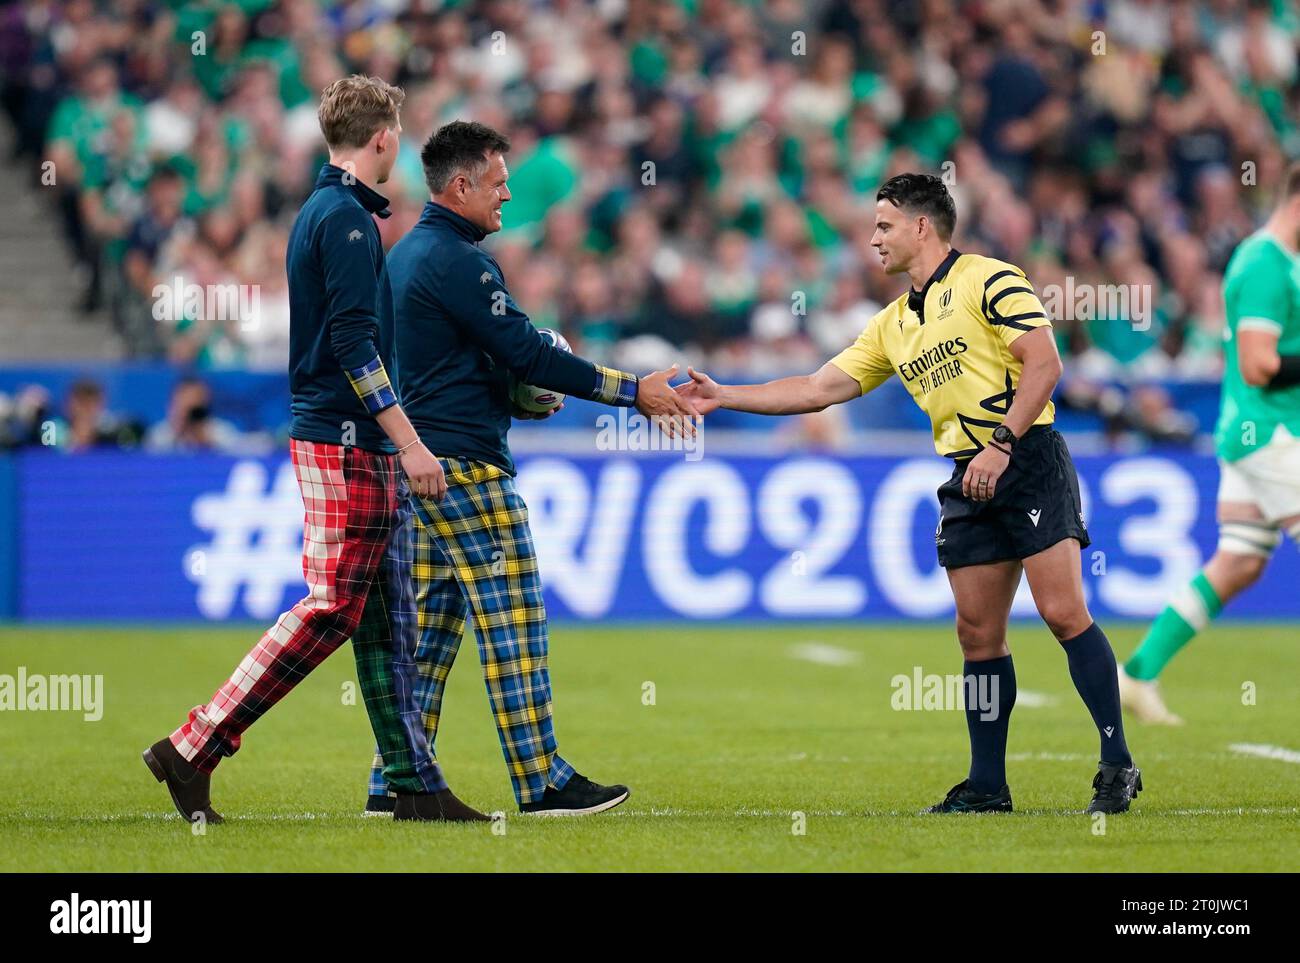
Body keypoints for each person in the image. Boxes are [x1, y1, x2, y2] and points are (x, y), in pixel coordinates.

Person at [677, 172, 1142, 814]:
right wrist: (725, 393)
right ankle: (987, 786)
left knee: (1063, 613)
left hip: (1025, 457)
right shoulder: (893, 323)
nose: (873, 240)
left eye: (884, 226)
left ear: (922, 227)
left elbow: (1046, 364)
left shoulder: (992, 278)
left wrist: (1001, 443)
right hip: (966, 473)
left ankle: (1117, 761)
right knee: (977, 634)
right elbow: (817, 389)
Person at [142, 76, 486, 824]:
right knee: (333, 607)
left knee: (390, 619)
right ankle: (194, 742)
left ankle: (413, 780)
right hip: (349, 441)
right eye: (397, 130)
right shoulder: (350, 222)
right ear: (384, 137)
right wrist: (412, 445)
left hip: (346, 438)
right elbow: (355, 347)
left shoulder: (327, 211)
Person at [366, 120, 698, 816]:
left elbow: (446, 365)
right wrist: (634, 391)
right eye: (497, 182)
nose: (509, 196)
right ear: (460, 187)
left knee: (427, 635)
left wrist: (505, 394)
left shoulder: (403, 258)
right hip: (465, 470)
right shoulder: (460, 262)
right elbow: (530, 354)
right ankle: (541, 778)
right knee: (514, 620)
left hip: (417, 465)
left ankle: (396, 780)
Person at [1120, 163, 1300, 724]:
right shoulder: (1265, 264)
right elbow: (1258, 364)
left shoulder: (1279, 261)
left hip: (1254, 435)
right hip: (1270, 435)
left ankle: (1138, 671)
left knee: (1240, 562)